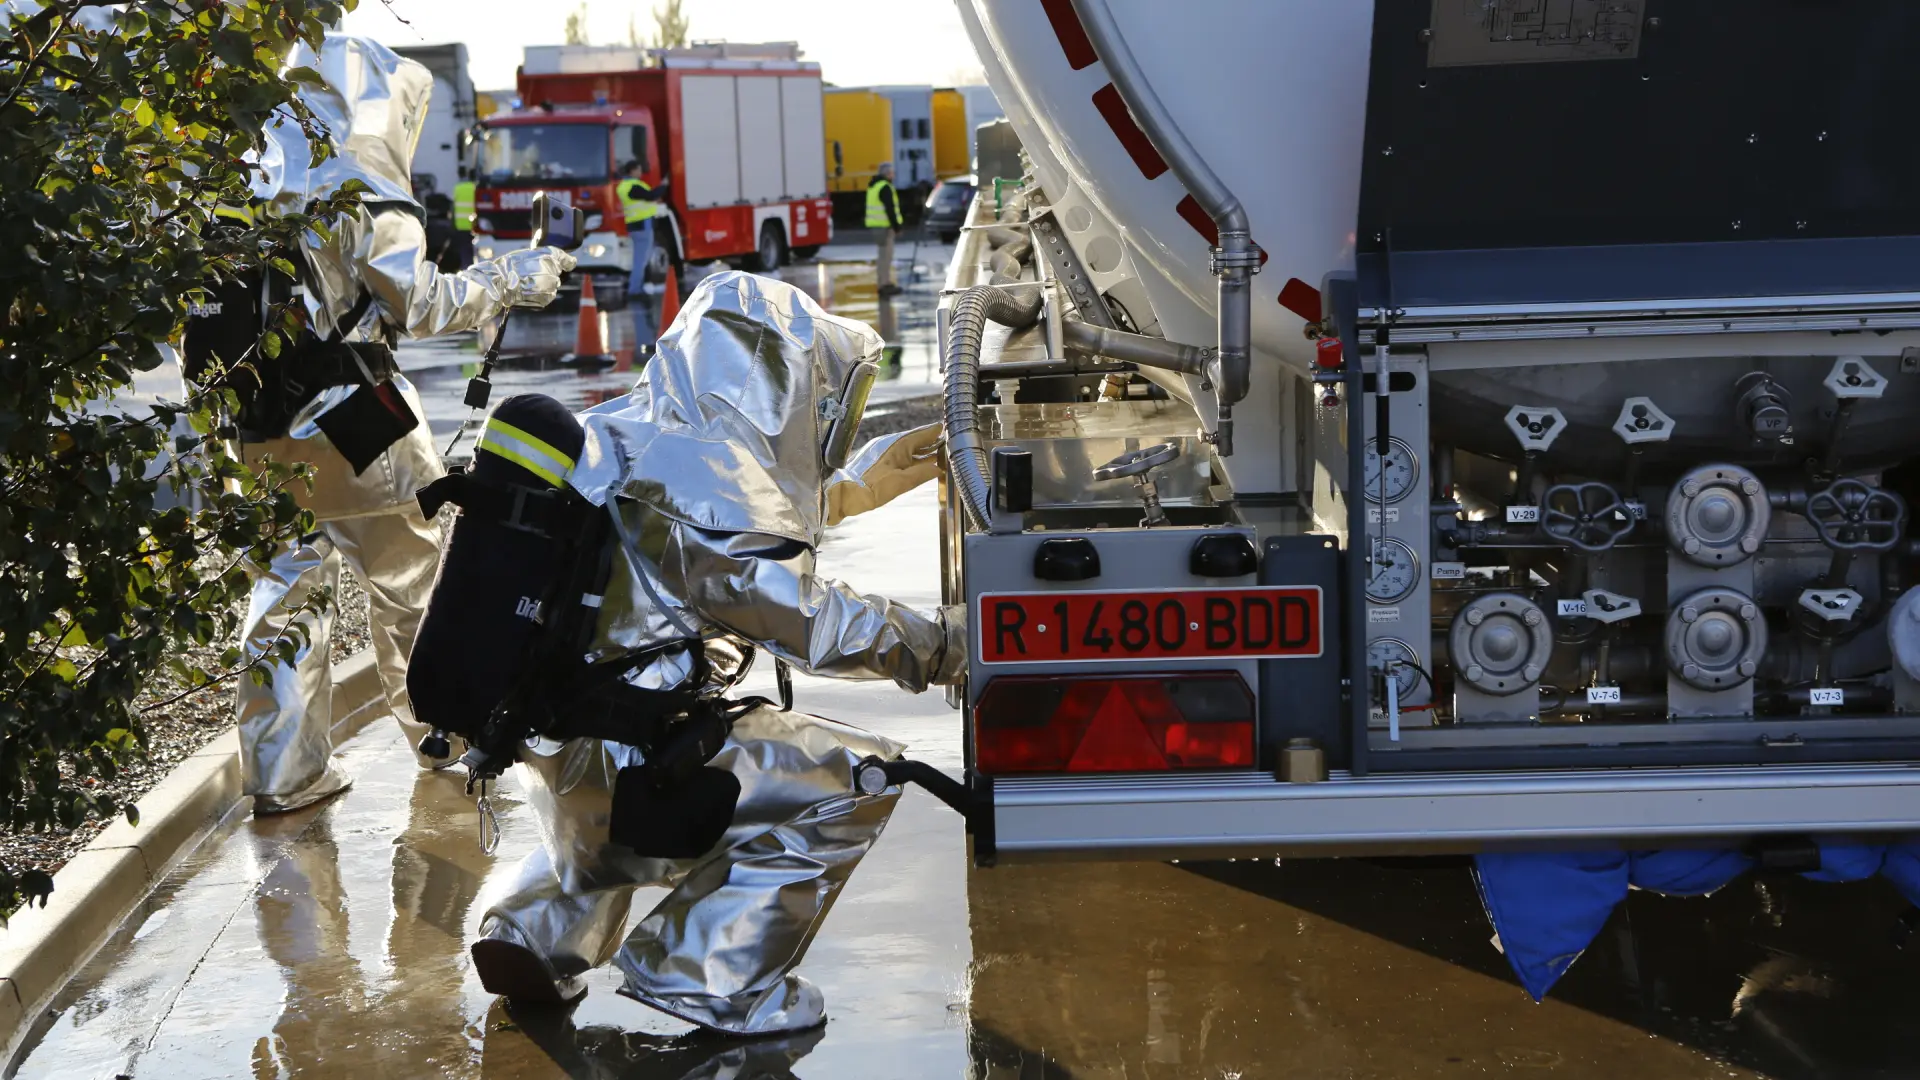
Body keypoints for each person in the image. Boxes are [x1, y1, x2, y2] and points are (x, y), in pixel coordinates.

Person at [452, 271, 965, 1035]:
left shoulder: (622, 430)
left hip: (552, 755)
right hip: (636, 772)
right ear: (779, 379)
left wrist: (856, 486)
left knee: (612, 802)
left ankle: (533, 928)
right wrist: (941, 645)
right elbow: (807, 619)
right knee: (858, 775)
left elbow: (686, 538)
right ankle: (706, 973)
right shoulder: (707, 479)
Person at [183, 35, 575, 814]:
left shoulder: (239, 181)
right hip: (360, 422)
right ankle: (447, 741)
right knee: (418, 587)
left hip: (255, 427)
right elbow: (418, 304)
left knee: (285, 597)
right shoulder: (359, 179)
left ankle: (285, 777)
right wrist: (512, 277)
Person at [617, 160, 666, 298]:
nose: (640, 172)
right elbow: (650, 195)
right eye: (638, 170)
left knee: (639, 258)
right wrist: (664, 185)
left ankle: (637, 286)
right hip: (642, 225)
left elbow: (646, 199)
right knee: (641, 259)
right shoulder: (632, 186)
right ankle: (635, 289)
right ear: (632, 171)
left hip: (634, 225)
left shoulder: (624, 186)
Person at [865, 161, 903, 296]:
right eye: (892, 173)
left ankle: (884, 282)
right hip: (884, 227)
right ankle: (884, 284)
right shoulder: (885, 187)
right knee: (885, 257)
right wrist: (897, 227)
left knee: (883, 256)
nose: (893, 175)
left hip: (876, 226)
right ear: (887, 174)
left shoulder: (874, 186)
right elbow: (890, 209)